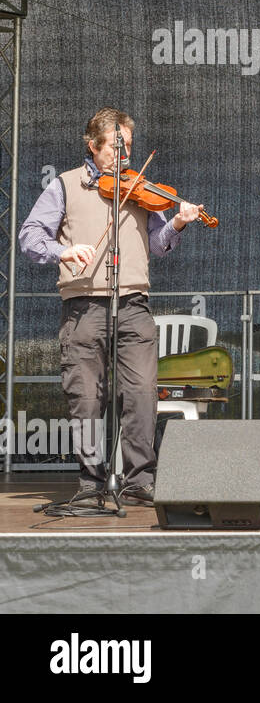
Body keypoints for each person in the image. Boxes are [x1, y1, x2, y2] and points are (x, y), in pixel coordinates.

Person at [18, 108, 207, 504]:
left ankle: (140, 480)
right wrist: (65, 251)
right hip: (84, 305)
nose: (125, 156)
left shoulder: (140, 187)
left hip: (134, 303)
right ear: (94, 145)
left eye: (129, 148)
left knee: (141, 392)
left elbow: (157, 244)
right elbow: (30, 237)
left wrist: (178, 222)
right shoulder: (65, 186)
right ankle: (90, 482)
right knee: (86, 396)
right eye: (117, 147)